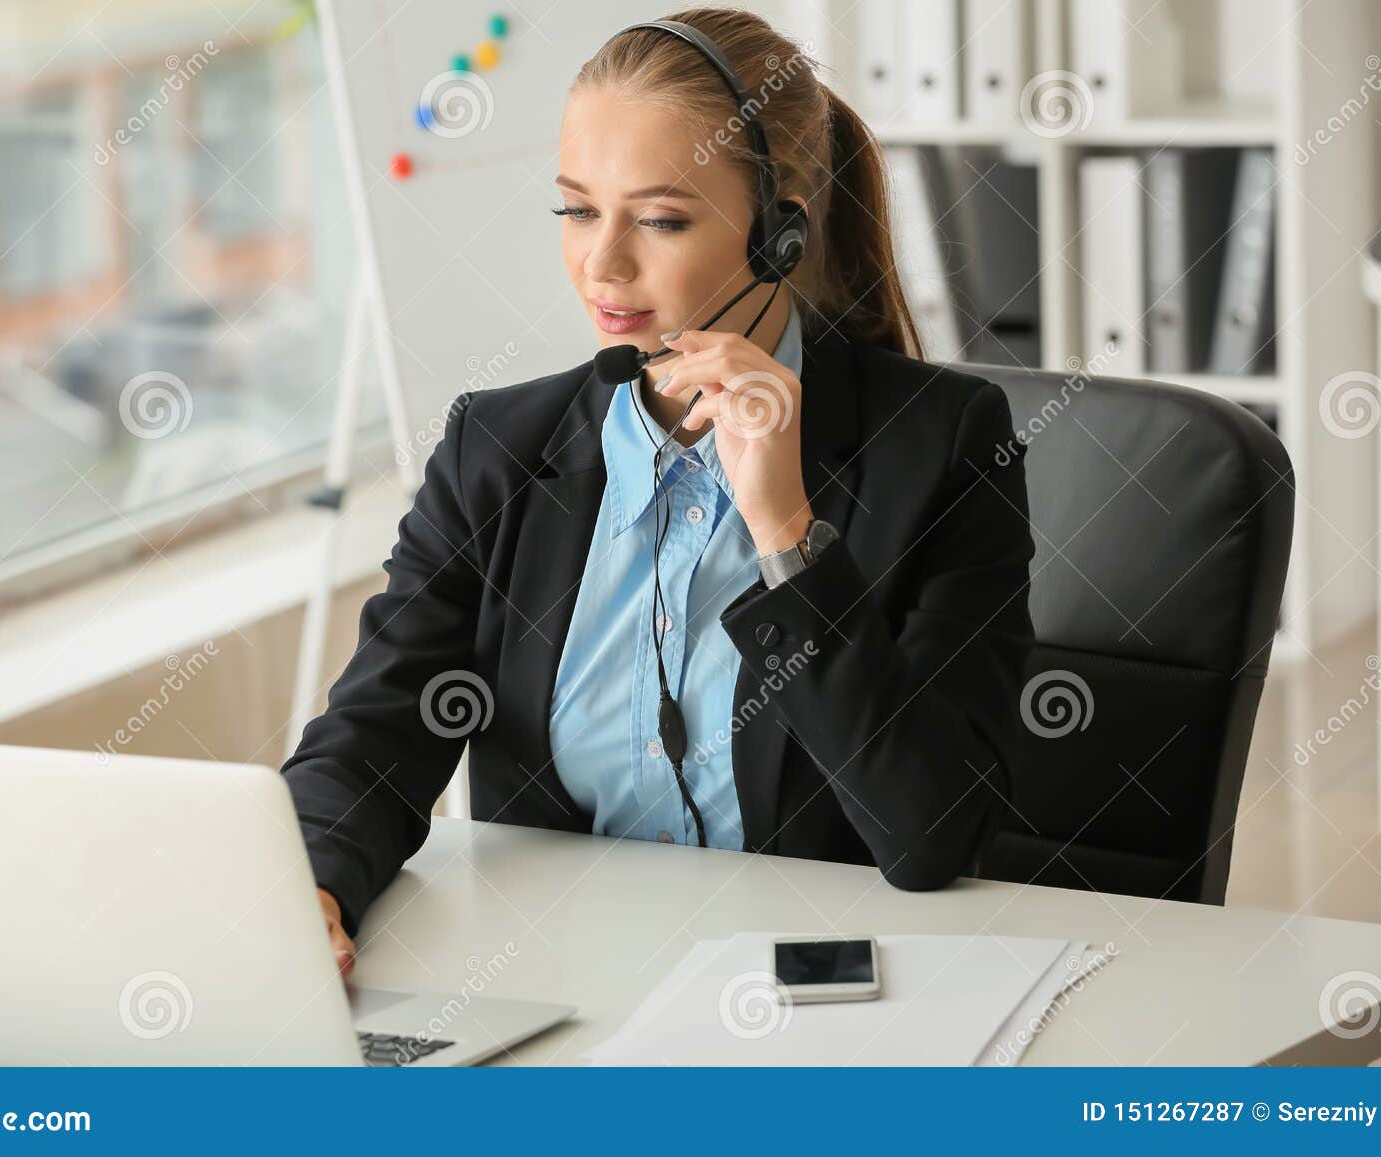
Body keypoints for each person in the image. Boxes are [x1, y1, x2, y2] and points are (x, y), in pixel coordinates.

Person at [282, 7, 1035, 974]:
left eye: (661, 219)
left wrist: (785, 531)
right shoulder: (497, 453)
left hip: (820, 1009)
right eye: (577, 210)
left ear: (781, 231)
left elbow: (933, 834)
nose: (603, 264)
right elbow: (375, 732)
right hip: (566, 991)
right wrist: (311, 884)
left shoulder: (940, 446)